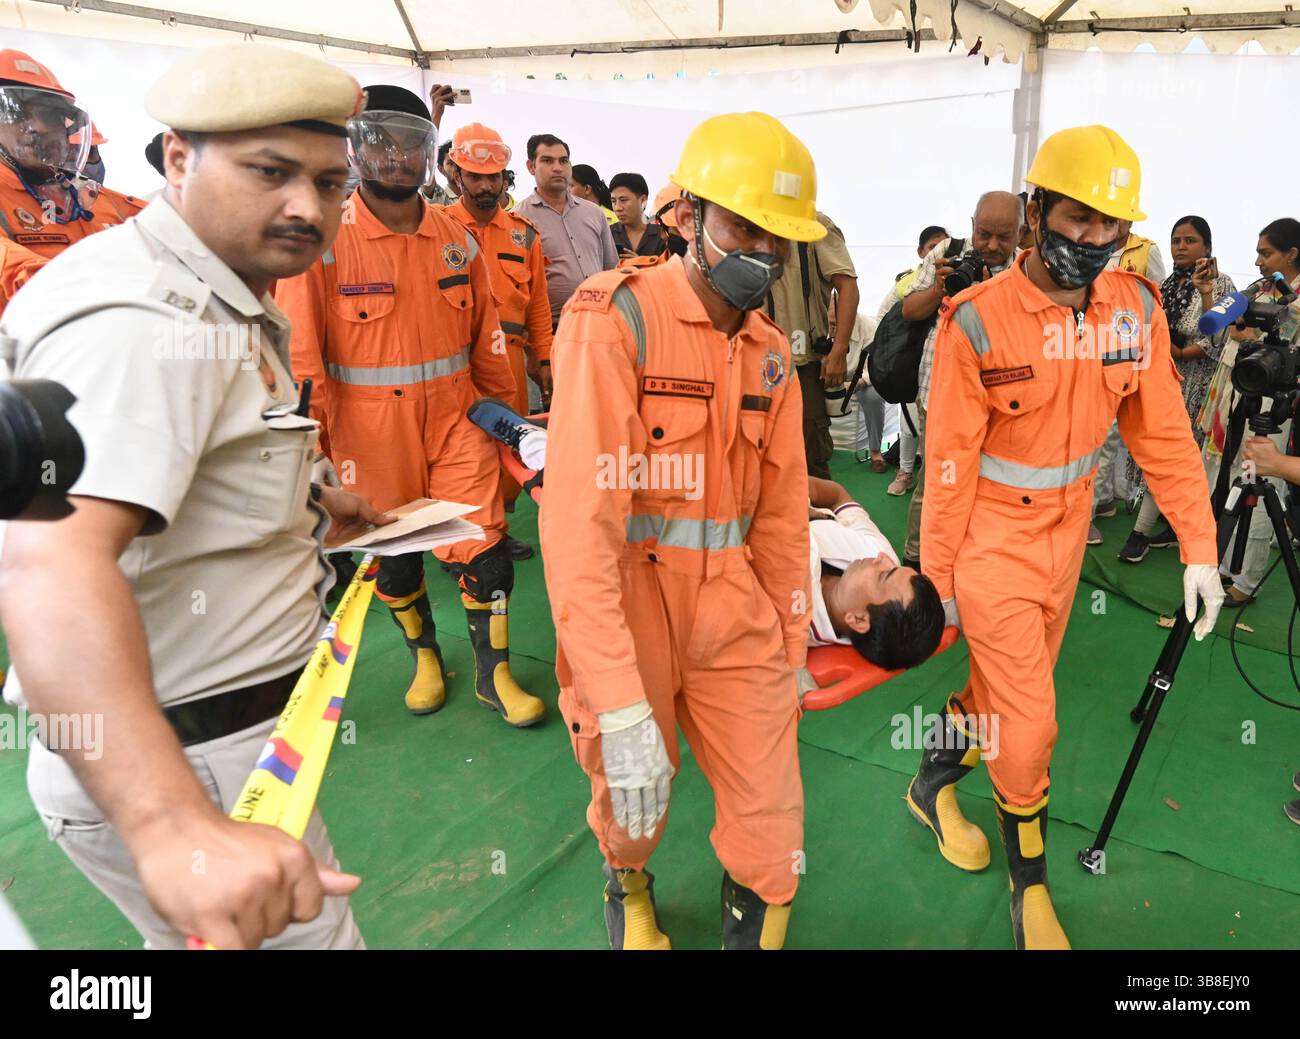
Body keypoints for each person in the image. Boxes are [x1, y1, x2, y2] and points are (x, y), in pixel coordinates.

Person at [0, 43, 384, 951]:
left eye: (331, 183)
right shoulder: (147, 322)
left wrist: (313, 507)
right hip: (189, 761)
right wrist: (172, 824)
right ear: (177, 158)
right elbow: (48, 556)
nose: (307, 206)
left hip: (223, 744)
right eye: (270, 171)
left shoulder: (218, 292)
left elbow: (192, 474)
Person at [916, 124, 1223, 950]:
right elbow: (946, 462)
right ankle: (1031, 886)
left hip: (1068, 539)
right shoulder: (975, 323)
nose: (1090, 240)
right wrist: (936, 581)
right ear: (1034, 209)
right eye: (1075, 218)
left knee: (999, 692)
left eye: (1108, 226)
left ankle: (931, 780)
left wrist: (1199, 545)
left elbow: (1163, 436)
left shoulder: (1135, 309)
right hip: (990, 542)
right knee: (1029, 722)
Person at [540, 111, 822, 950]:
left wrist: (793, 644)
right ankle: (628, 888)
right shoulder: (613, 318)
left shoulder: (772, 355)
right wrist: (620, 701)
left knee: (775, 833)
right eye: (745, 227)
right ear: (689, 215)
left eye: (781, 238)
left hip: (735, 610)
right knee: (631, 804)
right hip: (630, 606)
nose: (764, 254)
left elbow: (779, 519)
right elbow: (578, 525)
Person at [276, 85, 545, 729]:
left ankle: (493, 672)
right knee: (395, 557)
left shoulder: (456, 236)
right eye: (380, 142)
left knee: (486, 548)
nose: (396, 156)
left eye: (411, 142)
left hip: (458, 422)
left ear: (430, 152)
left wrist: (509, 426)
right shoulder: (321, 238)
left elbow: (488, 340)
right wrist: (312, 454)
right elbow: (301, 362)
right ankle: (425, 657)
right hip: (366, 436)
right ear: (356, 148)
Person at [443, 122, 553, 550]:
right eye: (475, 176)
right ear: (457, 175)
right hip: (458, 358)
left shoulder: (523, 234)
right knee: (464, 450)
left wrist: (542, 361)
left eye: (494, 177)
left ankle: (495, 529)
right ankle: (468, 540)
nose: (486, 186)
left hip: (509, 356)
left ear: (506, 178)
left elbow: (538, 305)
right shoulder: (439, 227)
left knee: (509, 443)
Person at [898, 191, 1023, 568]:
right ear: (972, 226)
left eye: (1004, 237)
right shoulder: (947, 253)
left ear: (1021, 234)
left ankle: (969, 559)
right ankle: (916, 560)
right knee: (935, 480)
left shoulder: (1027, 272)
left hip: (996, 398)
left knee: (986, 484)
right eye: (985, 234)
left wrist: (986, 296)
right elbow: (909, 310)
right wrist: (940, 289)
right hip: (937, 388)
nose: (992, 246)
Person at [1118, 216, 1235, 563]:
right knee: (1156, 452)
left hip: (1197, 383)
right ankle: (1171, 529)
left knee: (1170, 456)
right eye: (1176, 241)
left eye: (1190, 241)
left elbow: (1217, 336)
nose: (1181, 247)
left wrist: (1179, 350)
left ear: (1208, 248)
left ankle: (1138, 533)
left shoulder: (1222, 283)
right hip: (1161, 377)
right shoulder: (1167, 284)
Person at [1199, 216, 1300, 607]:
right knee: (1226, 477)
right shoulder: (1256, 290)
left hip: (1274, 404)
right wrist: (1210, 294)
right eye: (1257, 252)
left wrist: (1255, 332)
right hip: (1235, 391)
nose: (1258, 262)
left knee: (1261, 482)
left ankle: (1246, 579)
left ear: (1292, 254)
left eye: (1266, 253)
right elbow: (1218, 329)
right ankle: (1223, 565)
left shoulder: (1293, 300)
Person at [0, 49, 146, 258]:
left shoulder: (107, 203)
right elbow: (11, 270)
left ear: (66, 128)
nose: (39, 127)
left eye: (50, 116)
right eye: (17, 115)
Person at [807, 476, 945, 668]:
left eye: (885, 575)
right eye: (894, 568)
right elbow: (838, 496)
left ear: (858, 619)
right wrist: (799, 487)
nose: (883, 558)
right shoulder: (881, 556)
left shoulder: (787, 618)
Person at [1088, 217, 1170, 540]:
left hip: (1124, 353)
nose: (1109, 223)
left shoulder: (1146, 250)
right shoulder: (1091, 245)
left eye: (1116, 217)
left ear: (1130, 218)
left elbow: (1156, 301)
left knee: (1105, 436)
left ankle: (1087, 515)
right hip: (1085, 349)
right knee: (1093, 434)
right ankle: (1105, 500)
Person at [767, 209, 859, 479]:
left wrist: (839, 350)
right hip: (749, 358)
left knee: (810, 458)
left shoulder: (815, 224)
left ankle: (818, 519)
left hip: (803, 363)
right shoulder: (741, 218)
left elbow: (848, 286)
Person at [879, 225, 948, 497]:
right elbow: (884, 314)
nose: (937, 253)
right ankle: (905, 471)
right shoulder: (908, 281)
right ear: (921, 251)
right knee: (908, 423)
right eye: (932, 248)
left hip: (939, 366)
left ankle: (929, 475)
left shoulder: (961, 277)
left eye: (943, 247)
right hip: (910, 365)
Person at [520, 134, 617, 327]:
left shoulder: (594, 213)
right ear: (531, 167)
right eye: (547, 160)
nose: (558, 168)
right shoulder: (519, 218)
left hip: (600, 323)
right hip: (551, 330)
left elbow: (611, 269)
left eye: (563, 161)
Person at [609, 172, 665, 259]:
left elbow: (672, 270)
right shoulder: (608, 234)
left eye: (623, 200)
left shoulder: (662, 235)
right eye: (613, 201)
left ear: (642, 200)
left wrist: (640, 262)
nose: (617, 208)